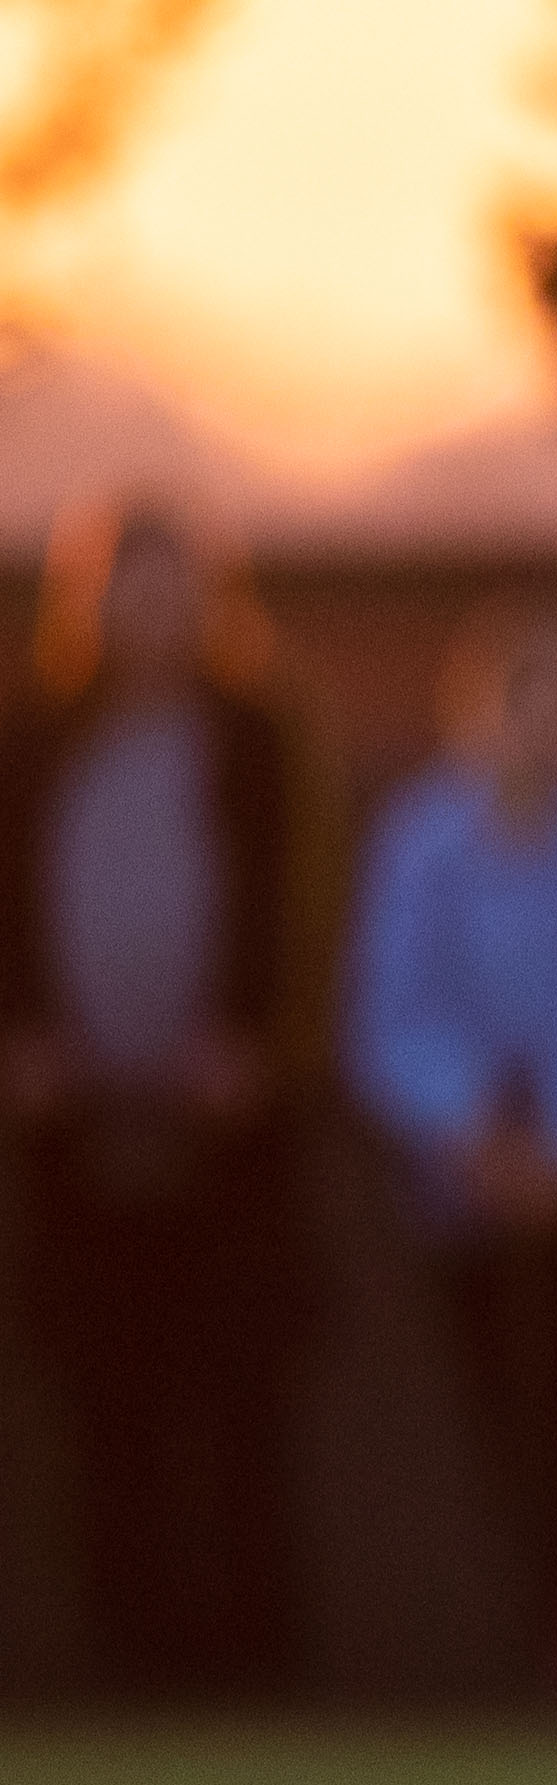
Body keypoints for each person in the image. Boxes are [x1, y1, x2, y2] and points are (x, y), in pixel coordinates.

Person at [0, 496, 320, 1701]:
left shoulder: (257, 737)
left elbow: (304, 907)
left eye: (177, 585)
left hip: (229, 1136)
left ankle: (258, 1664)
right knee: (104, 1399)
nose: (153, 610)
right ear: (87, 603)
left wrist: (255, 1049)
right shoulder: (35, 738)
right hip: (74, 1136)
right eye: (129, 586)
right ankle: (123, 1667)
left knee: (240, 1393)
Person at [344, 599, 557, 1704]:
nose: (549, 717)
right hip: (461, 1178)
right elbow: (388, 1010)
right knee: (492, 1408)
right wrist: (475, 1128)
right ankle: (511, 1634)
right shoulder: (421, 838)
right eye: (527, 692)